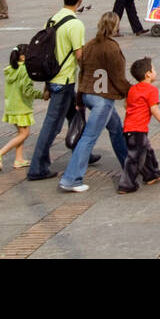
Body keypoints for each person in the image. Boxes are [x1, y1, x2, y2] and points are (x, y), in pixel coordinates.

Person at [61, 12, 130, 193]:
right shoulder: (112, 48)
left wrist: (79, 98)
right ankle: (71, 178)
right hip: (103, 98)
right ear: (115, 27)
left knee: (116, 130)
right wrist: (131, 92)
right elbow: (118, 78)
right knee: (89, 138)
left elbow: (82, 72)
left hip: (88, 94)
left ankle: (129, 166)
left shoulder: (90, 45)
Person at [28, 0, 88, 181]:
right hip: (65, 81)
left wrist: (46, 84)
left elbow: (48, 54)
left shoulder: (52, 20)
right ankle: (37, 166)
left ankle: (83, 150)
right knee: (52, 125)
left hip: (54, 78)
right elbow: (80, 56)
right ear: (80, 0)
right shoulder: (75, 24)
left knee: (75, 117)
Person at [118, 57, 160, 193]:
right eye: (154, 69)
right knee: (135, 157)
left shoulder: (133, 89)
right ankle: (126, 184)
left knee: (146, 151)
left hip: (129, 128)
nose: (155, 71)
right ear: (148, 74)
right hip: (138, 129)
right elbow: (154, 109)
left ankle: (151, 174)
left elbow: (126, 104)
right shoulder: (151, 90)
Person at [0, 47, 44, 170]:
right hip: (21, 107)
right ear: (22, 57)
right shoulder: (25, 70)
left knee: (20, 133)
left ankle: (19, 159)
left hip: (11, 106)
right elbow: (27, 90)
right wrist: (42, 95)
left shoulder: (12, 69)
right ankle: (0, 153)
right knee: (24, 134)